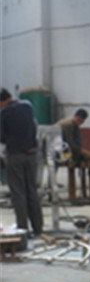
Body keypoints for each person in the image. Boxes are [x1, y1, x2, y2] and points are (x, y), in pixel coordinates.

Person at [0, 87, 43, 236]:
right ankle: (38, 228)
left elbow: (1, 137)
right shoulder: (27, 105)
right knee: (32, 191)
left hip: (15, 156)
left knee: (18, 193)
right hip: (32, 155)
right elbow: (34, 126)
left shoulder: (4, 113)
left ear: (3, 101)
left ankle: (23, 229)